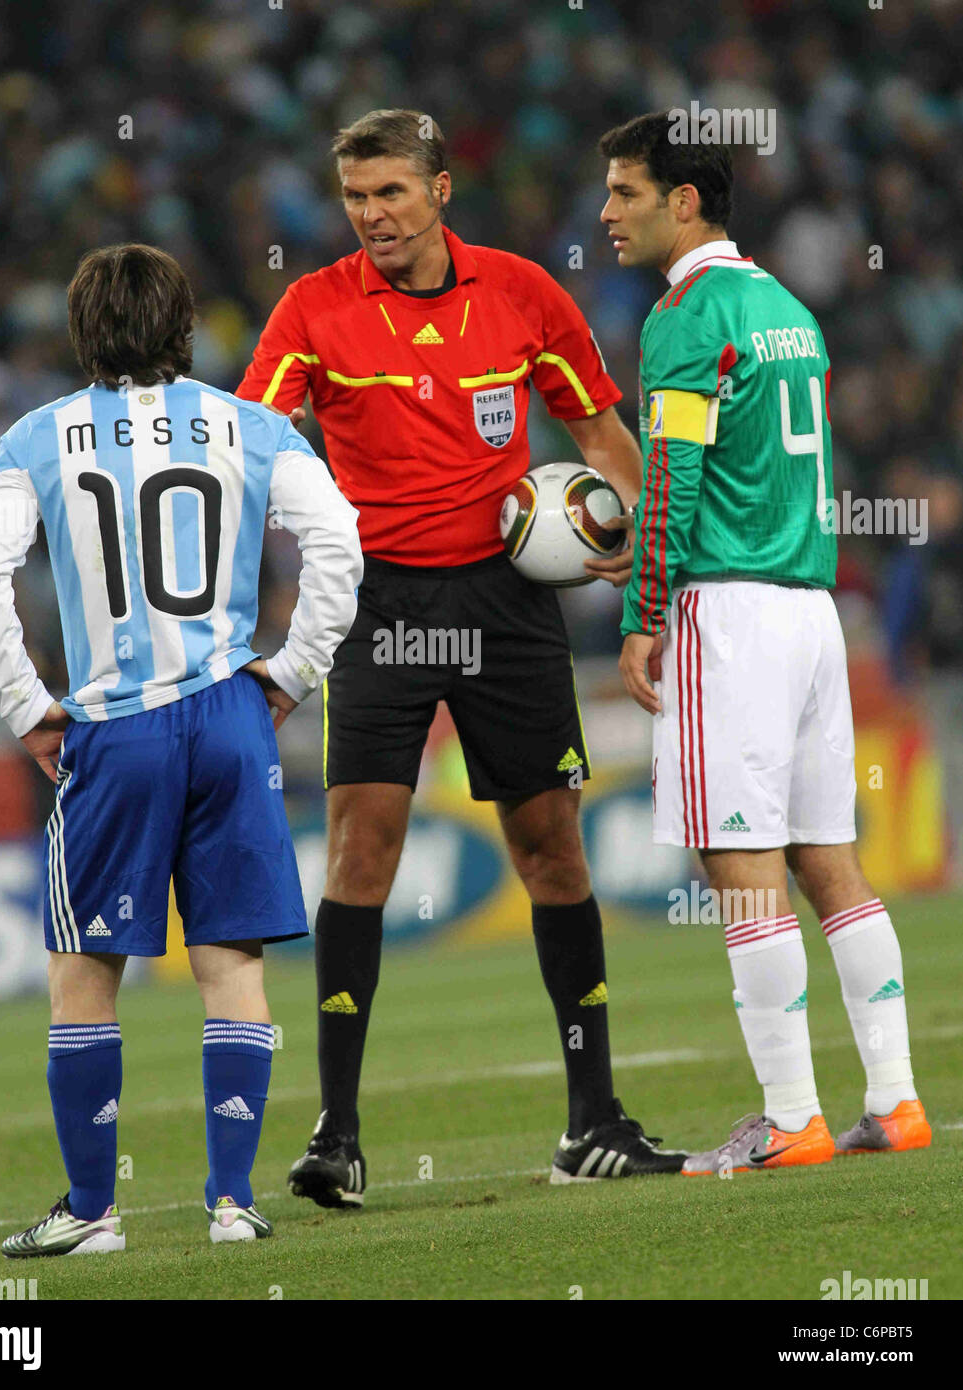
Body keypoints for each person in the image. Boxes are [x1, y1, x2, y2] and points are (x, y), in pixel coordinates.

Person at [237, 108, 687, 1207]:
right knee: (360, 853)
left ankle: (593, 1121)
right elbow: (245, 445)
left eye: (390, 192)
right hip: (378, 603)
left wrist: (642, 562)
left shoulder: (524, 293)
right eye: (354, 198)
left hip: (508, 599)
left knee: (552, 851)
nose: (370, 216)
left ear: (441, 191)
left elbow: (599, 441)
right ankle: (336, 1133)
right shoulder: (312, 307)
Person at [0, 242, 362, 1254]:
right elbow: (339, 544)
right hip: (227, 713)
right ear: (184, 326)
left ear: (80, 329)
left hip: (113, 726)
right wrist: (288, 672)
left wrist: (28, 706)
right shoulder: (251, 425)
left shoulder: (39, 437)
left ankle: (93, 1212)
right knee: (229, 962)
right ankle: (232, 1202)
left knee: (86, 970)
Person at [599, 112, 931, 1174]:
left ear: (681, 201)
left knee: (739, 866)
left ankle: (789, 1117)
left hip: (729, 613)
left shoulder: (686, 316)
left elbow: (675, 479)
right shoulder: (786, 305)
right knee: (827, 860)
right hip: (811, 609)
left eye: (623, 193)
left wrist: (642, 613)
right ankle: (895, 1101)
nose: (604, 214)